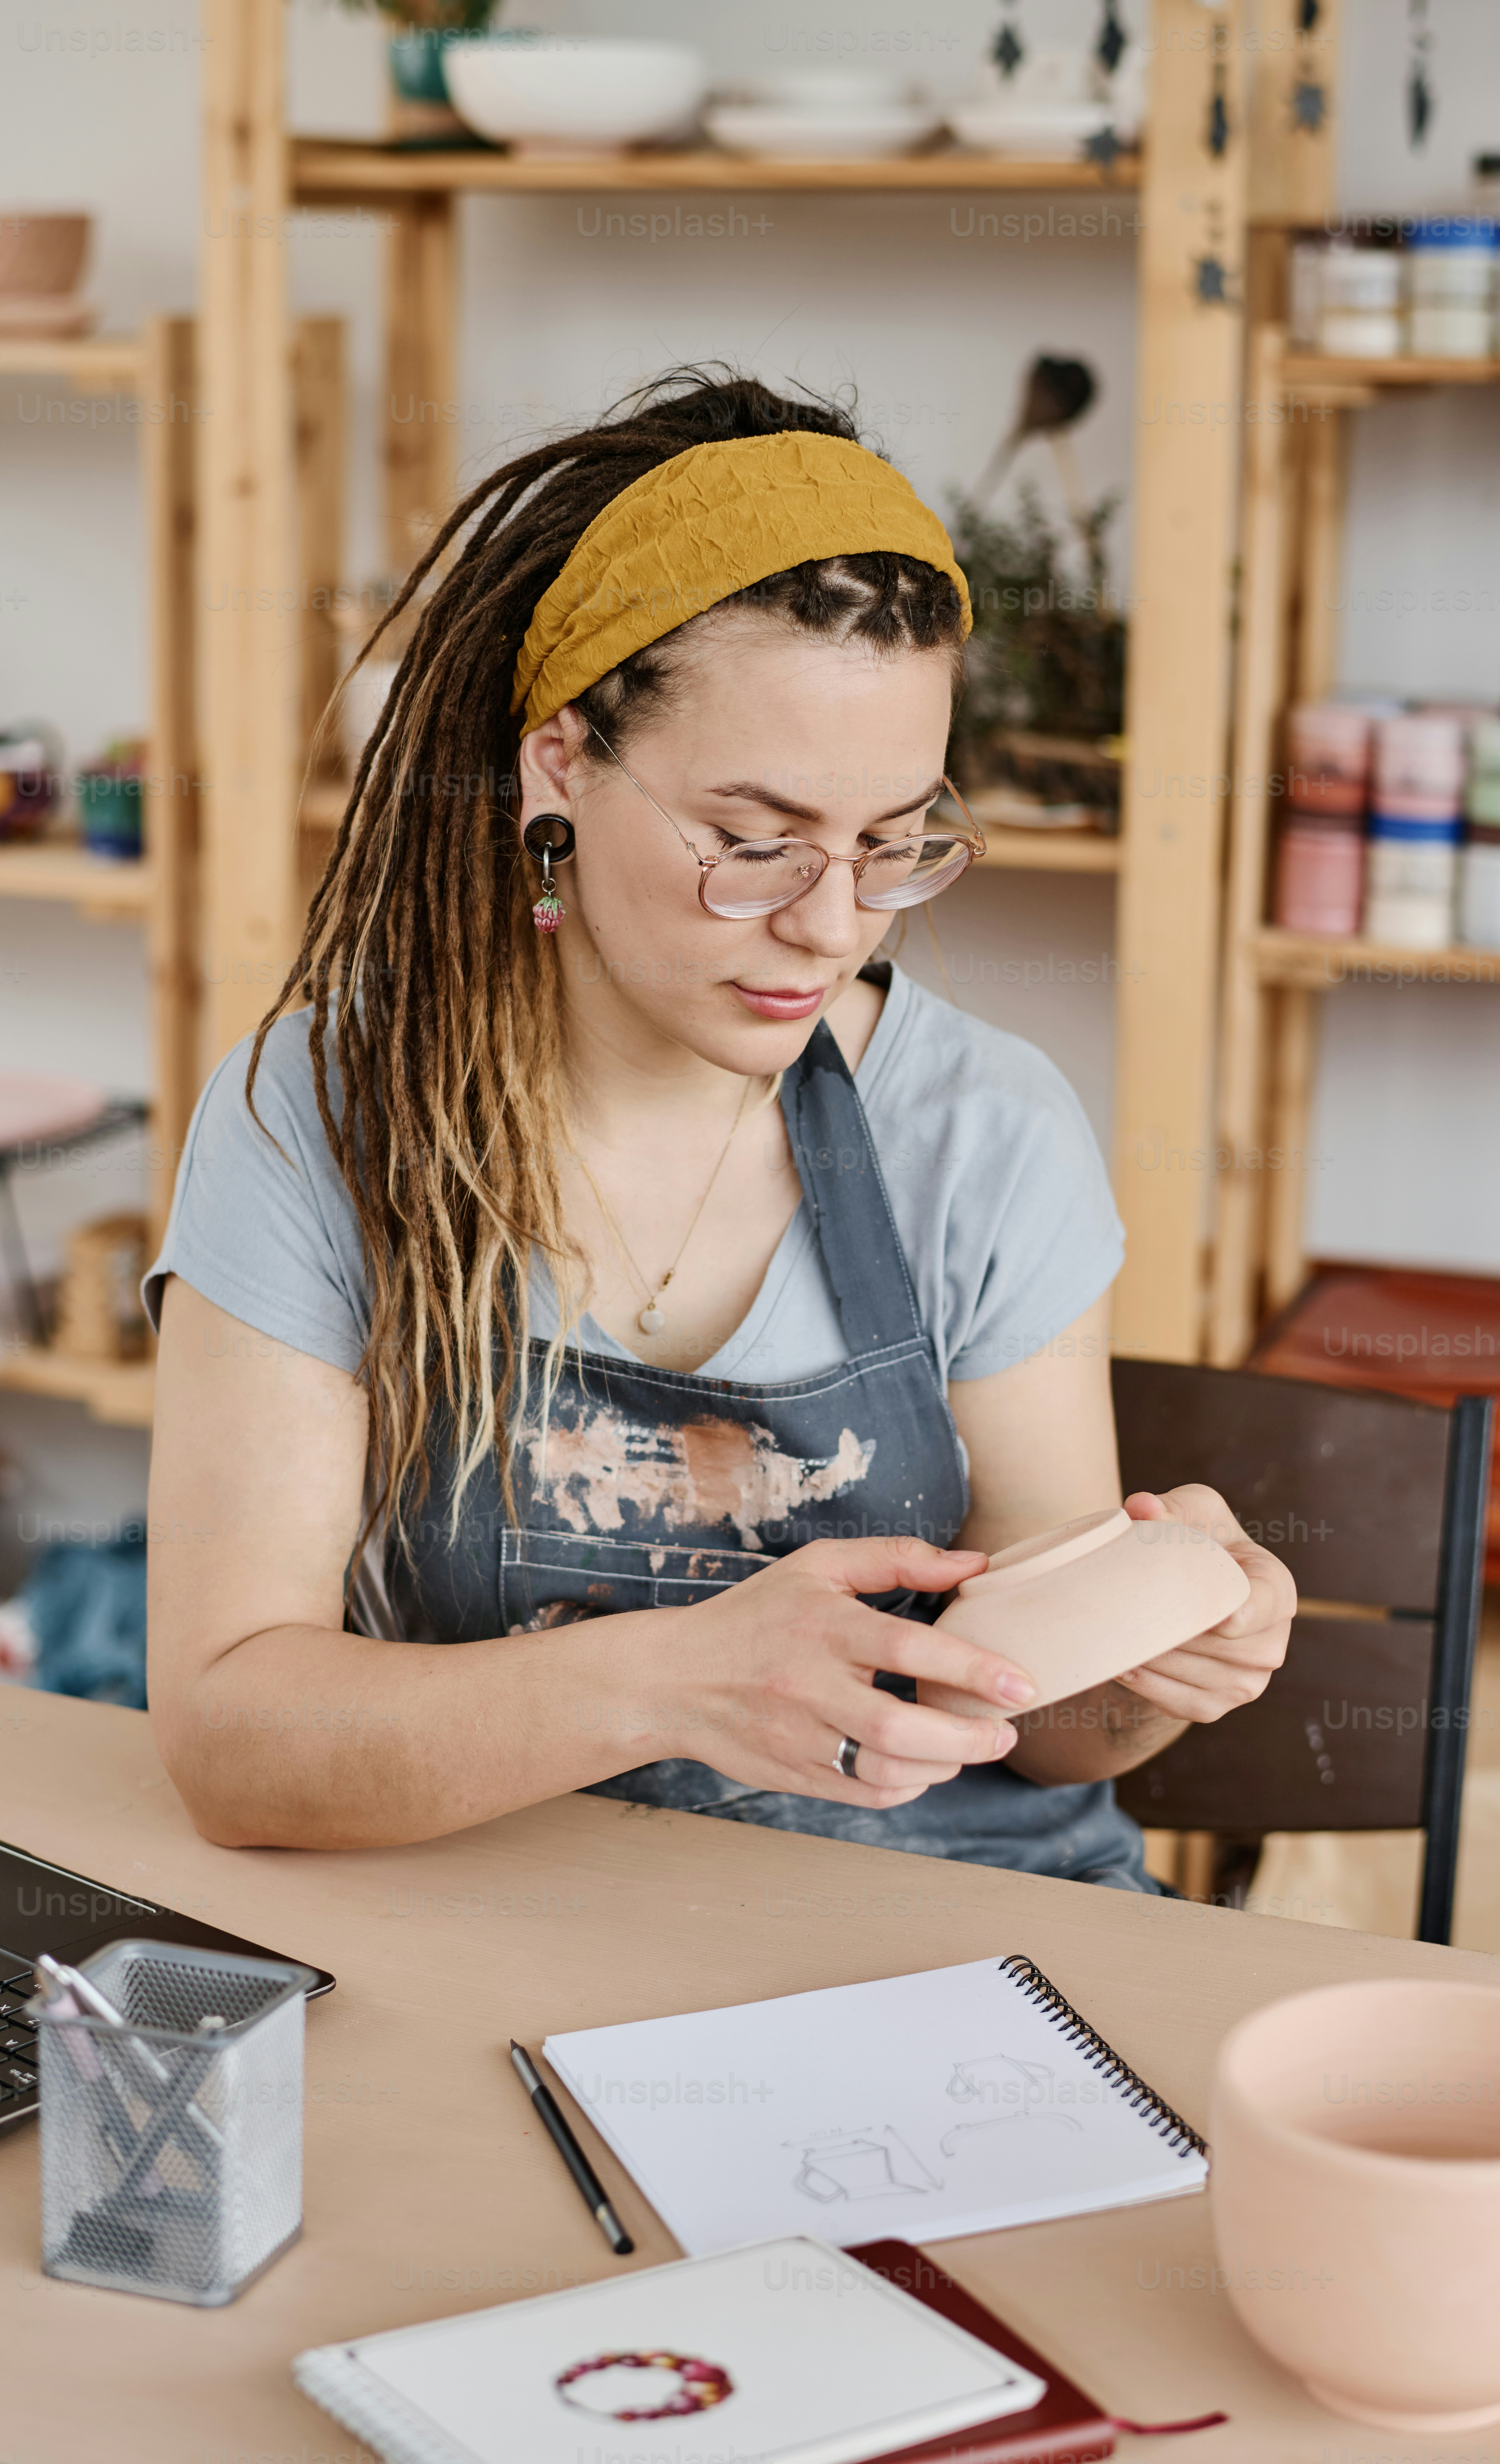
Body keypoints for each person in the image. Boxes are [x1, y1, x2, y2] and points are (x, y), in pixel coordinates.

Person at [145, 370, 1294, 1880]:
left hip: (950, 1934)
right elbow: (239, 1743)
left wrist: (1151, 1662)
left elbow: (1053, 1733)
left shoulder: (979, 1129)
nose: (829, 928)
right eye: (754, 843)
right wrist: (673, 1678)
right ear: (560, 766)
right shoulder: (322, 1115)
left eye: (892, 844)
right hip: (510, 1915)